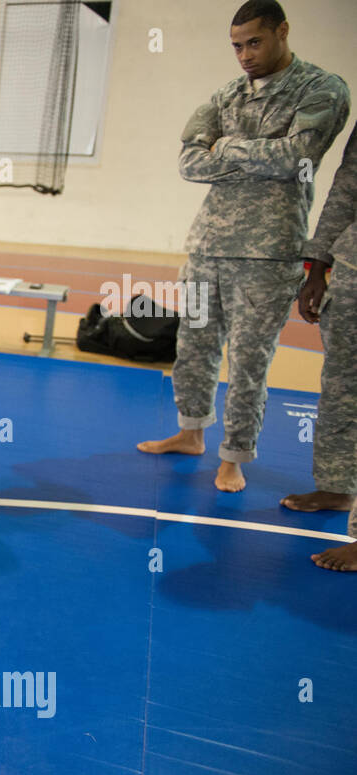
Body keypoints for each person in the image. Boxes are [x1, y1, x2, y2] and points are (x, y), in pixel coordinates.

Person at [137, 0, 349, 492]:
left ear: (282, 32)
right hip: (207, 243)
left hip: (269, 251)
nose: (245, 55)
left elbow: (296, 156)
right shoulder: (228, 93)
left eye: (254, 42)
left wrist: (226, 148)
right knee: (192, 347)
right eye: (236, 46)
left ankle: (233, 457)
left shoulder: (321, 88)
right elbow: (188, 162)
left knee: (250, 360)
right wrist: (252, 154)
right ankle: (191, 434)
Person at [282, 126, 357, 571]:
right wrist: (318, 266)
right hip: (351, 267)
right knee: (341, 386)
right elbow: (347, 189)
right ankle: (337, 484)